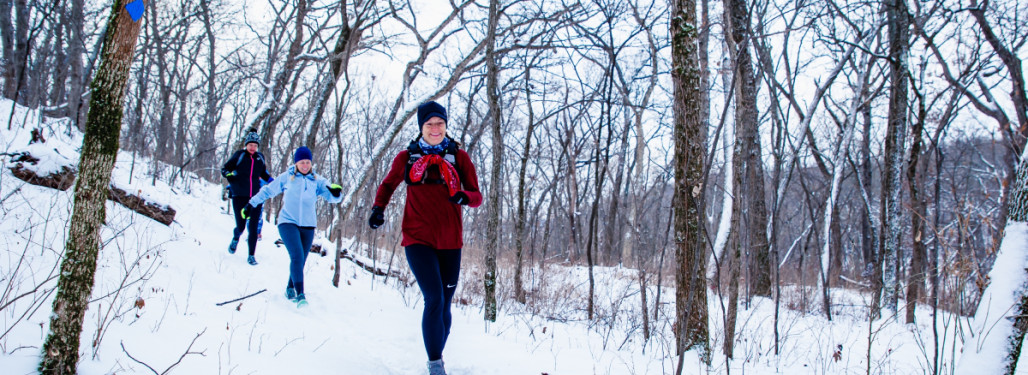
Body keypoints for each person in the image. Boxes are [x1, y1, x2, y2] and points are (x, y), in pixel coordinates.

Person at [369, 101, 482, 375]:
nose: (435, 128)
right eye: (429, 124)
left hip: (450, 240)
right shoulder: (407, 156)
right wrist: (377, 209)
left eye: (439, 123)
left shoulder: (459, 157)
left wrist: (462, 197)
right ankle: (435, 365)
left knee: (445, 302)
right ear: (421, 126)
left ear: (445, 125)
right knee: (433, 298)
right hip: (417, 237)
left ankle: (436, 355)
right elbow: (387, 185)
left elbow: (477, 196)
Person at [246, 146, 342, 307]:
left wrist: (336, 194)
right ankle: (301, 295)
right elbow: (268, 191)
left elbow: (331, 197)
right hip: (287, 222)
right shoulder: (286, 177)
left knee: (301, 259)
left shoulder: (317, 180)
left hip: (308, 226)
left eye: (308, 162)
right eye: (302, 162)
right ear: (296, 163)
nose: (305, 165)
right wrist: (251, 203)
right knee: (297, 255)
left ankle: (290, 287)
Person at [221, 129, 271, 265]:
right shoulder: (239, 155)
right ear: (246, 144)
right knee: (241, 226)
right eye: (251, 145)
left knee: (253, 227)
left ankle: (251, 255)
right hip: (239, 195)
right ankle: (236, 237)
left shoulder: (260, 158)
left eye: (255, 145)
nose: (253, 148)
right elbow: (225, 169)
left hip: (255, 197)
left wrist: (272, 181)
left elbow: (264, 174)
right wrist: (229, 176)